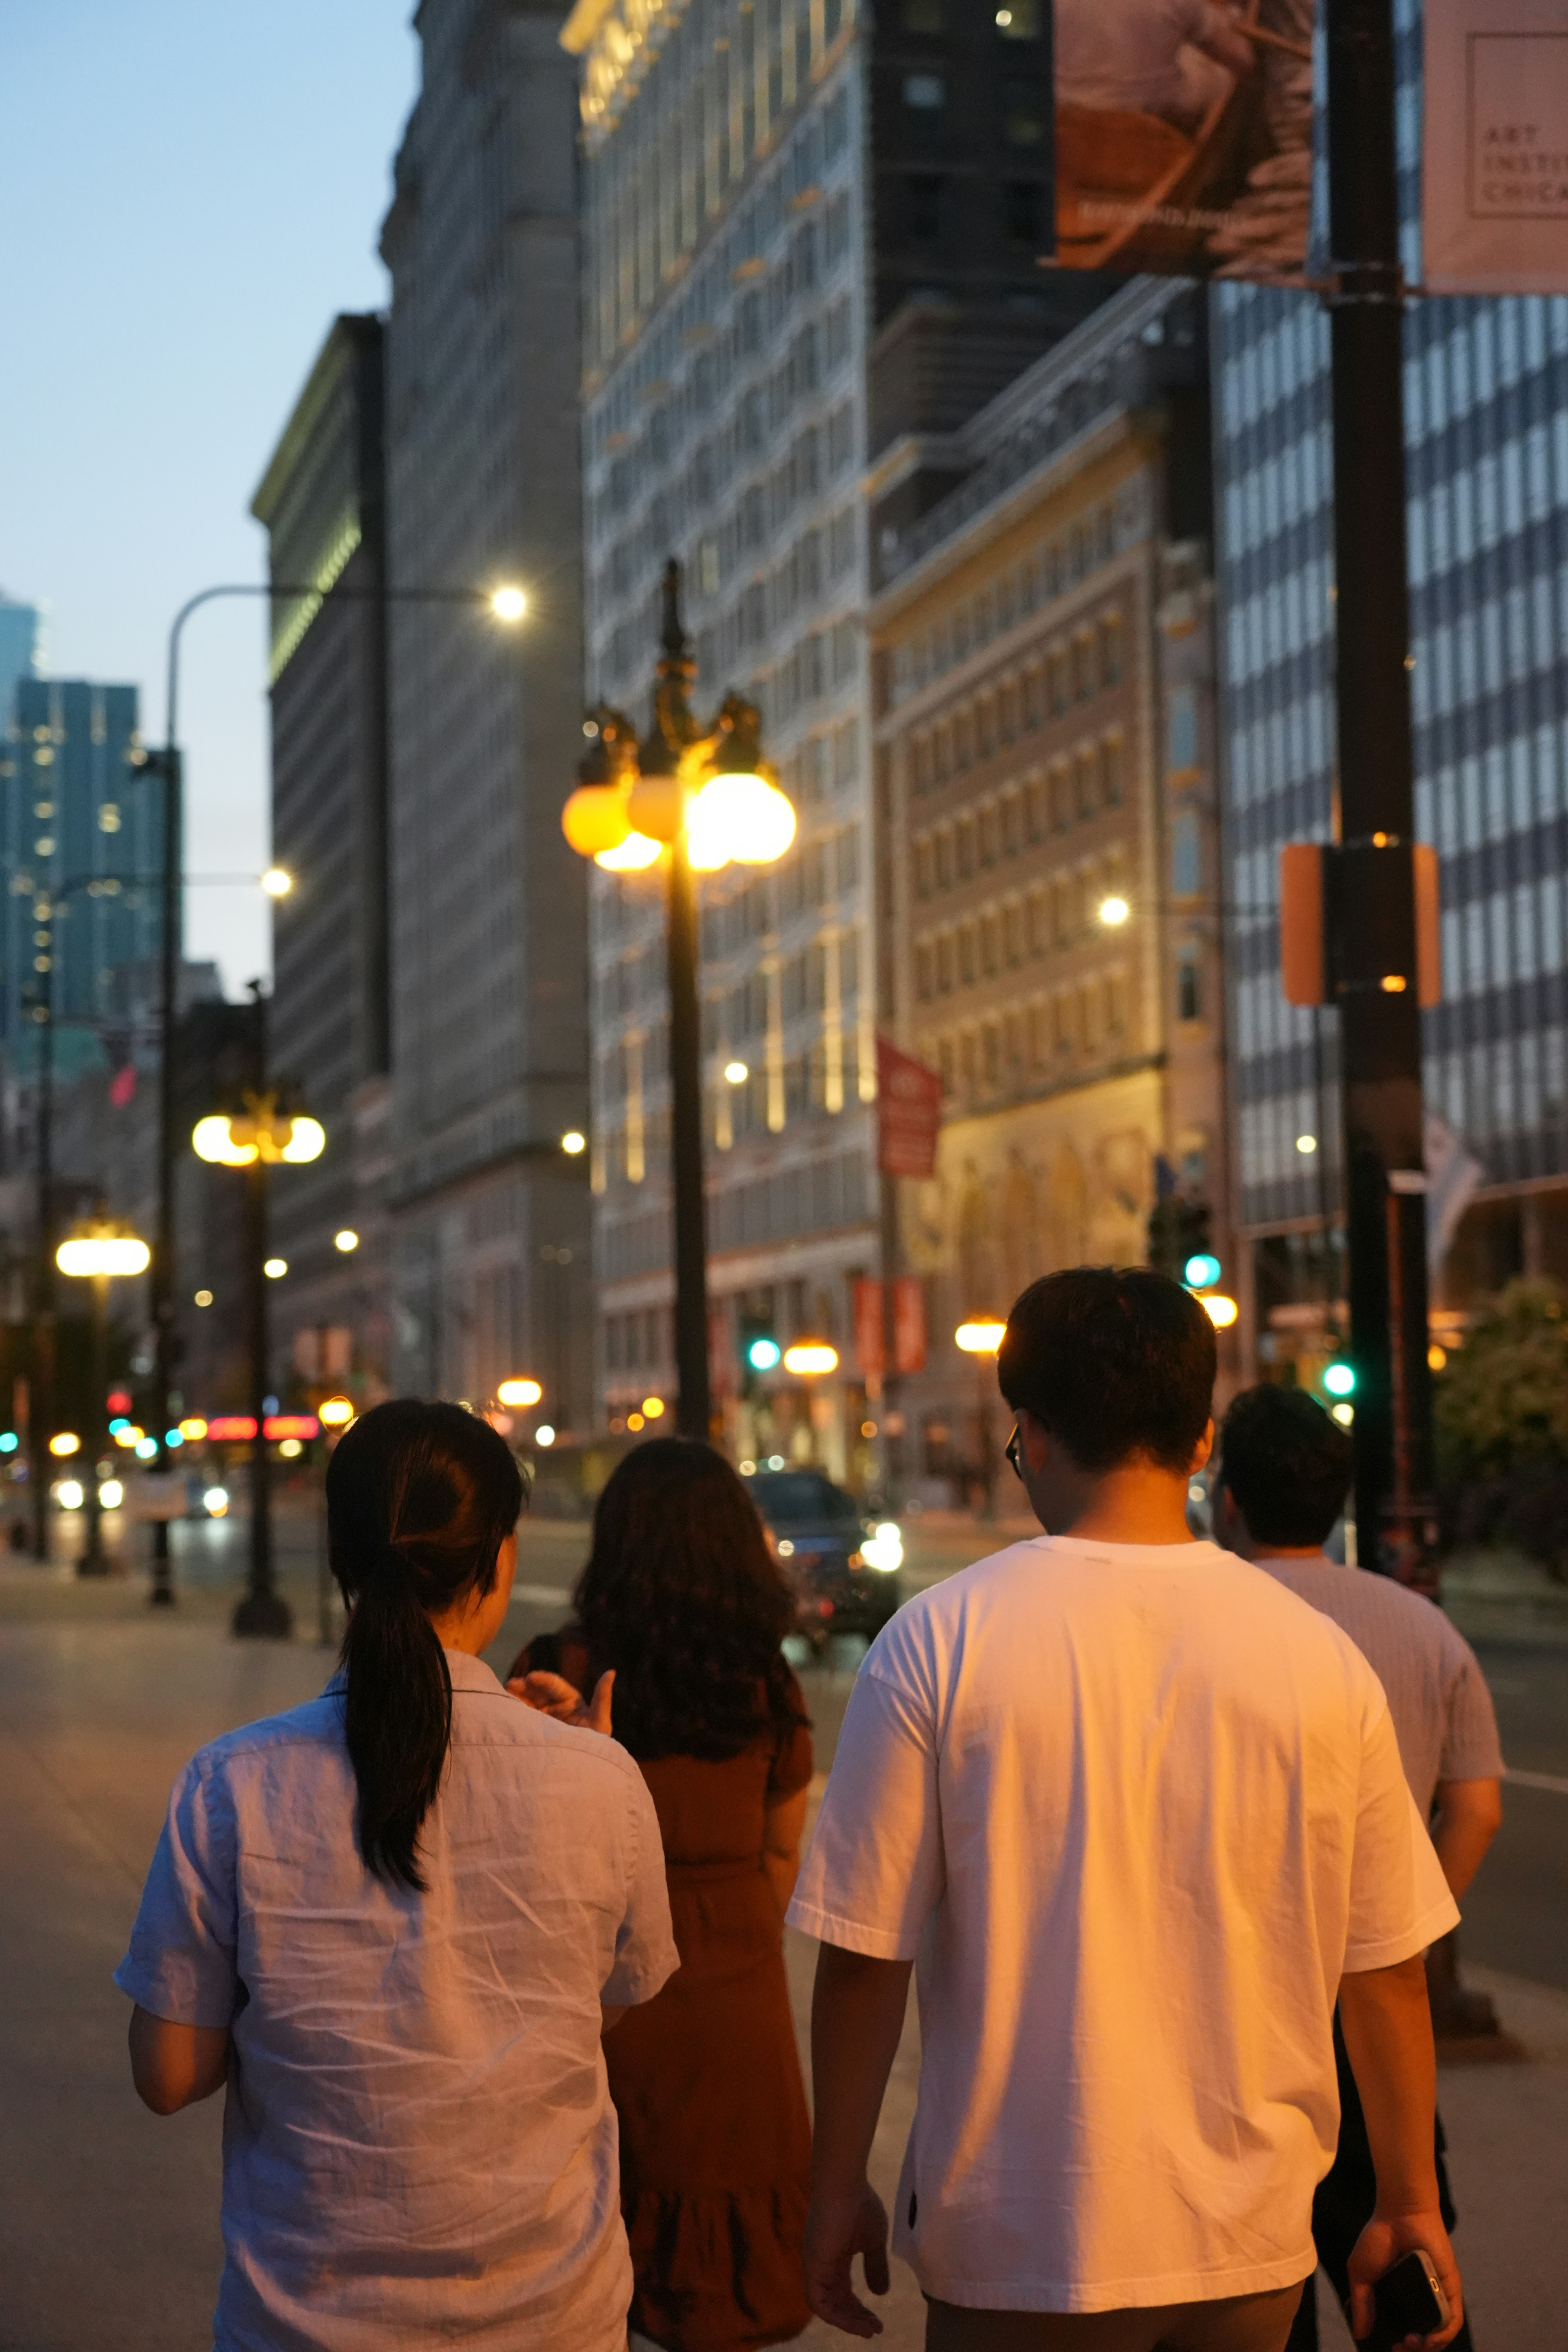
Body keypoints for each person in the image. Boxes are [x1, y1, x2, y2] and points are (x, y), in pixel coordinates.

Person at [787, 1266, 1465, 2352]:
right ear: (1203, 1444)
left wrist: (837, 2188)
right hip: (1248, 2243)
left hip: (1018, 2242)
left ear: (1033, 1435)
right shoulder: (1321, 1662)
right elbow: (1384, 1971)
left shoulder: (937, 1641)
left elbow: (867, 1956)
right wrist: (1408, 2203)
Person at [115, 1399, 677, 2351]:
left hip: (303, 2322)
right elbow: (605, 2003)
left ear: (341, 1561)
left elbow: (169, 2074)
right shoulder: (603, 1779)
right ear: (498, 1563)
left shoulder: (231, 1785)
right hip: (553, 2318)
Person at [1212, 1384, 1505, 2352]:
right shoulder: (1425, 1631)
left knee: (1266, 2290)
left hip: (1249, 2013)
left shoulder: (1213, 1626)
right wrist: (1415, 1911)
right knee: (1410, 2300)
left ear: (1228, 1500)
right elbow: (1477, 1804)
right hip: (1375, 2018)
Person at [511, 1436, 815, 2352]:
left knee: (602, 2248)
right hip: (736, 1993)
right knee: (729, 2276)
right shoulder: (764, 1680)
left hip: (603, 1985)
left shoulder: (557, 1669)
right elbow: (783, 1853)